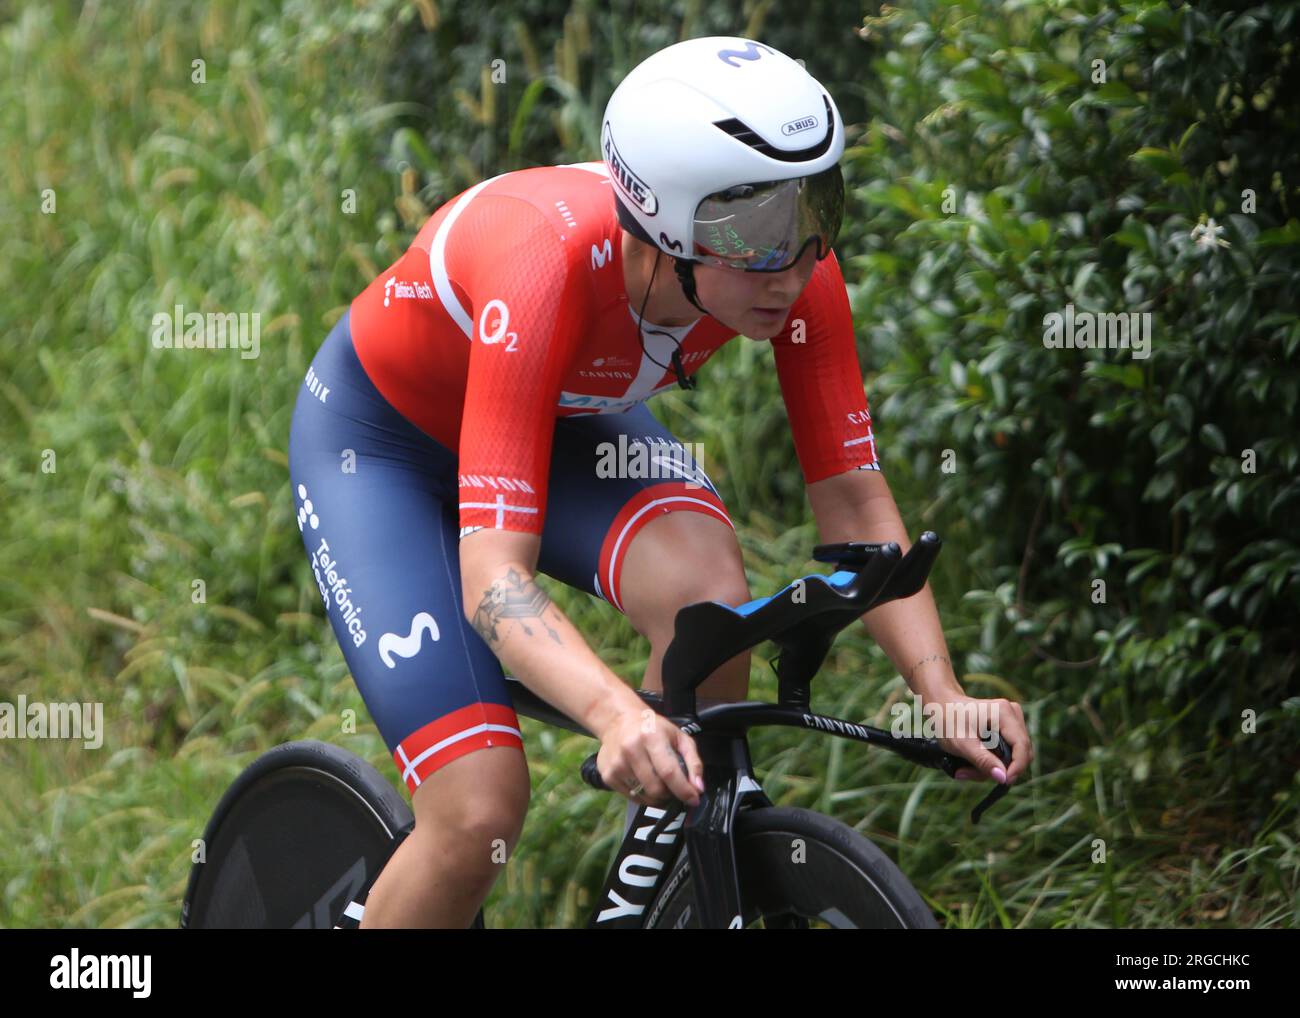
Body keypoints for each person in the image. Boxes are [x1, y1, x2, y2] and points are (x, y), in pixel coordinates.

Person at [287, 34, 1033, 928]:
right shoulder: (545, 267)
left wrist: (940, 697)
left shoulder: (791, 276)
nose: (795, 266)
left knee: (707, 600)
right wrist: (614, 713)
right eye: (756, 233)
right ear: (667, 224)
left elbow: (857, 509)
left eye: (812, 209)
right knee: (478, 809)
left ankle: (653, 889)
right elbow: (495, 581)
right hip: (381, 446)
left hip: (548, 426)